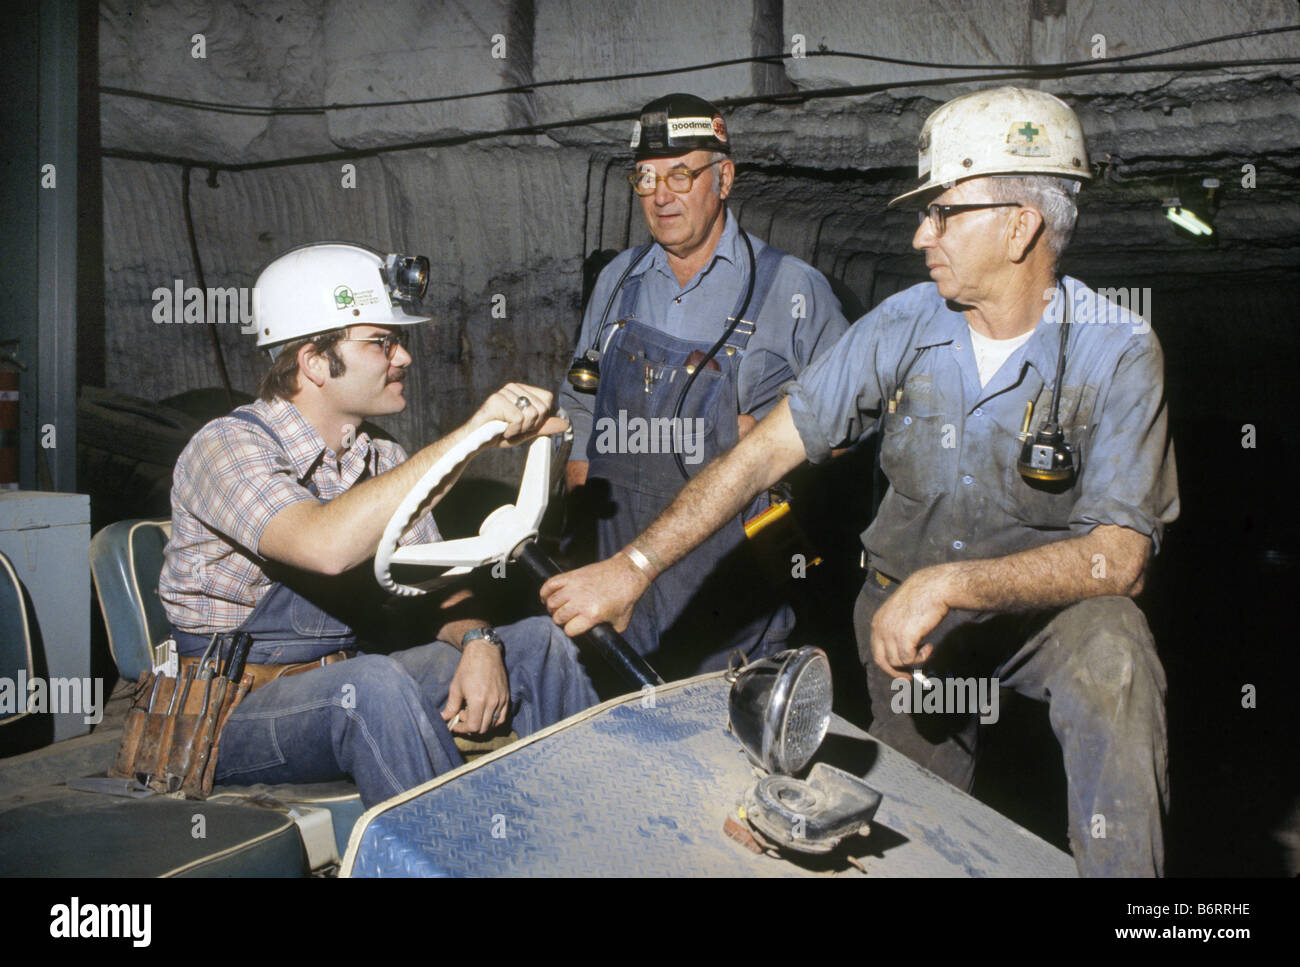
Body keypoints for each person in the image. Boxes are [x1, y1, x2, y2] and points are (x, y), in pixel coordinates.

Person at [541, 86, 1179, 876]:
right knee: (922, 827)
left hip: (1043, 615)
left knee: (1115, 651)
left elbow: (1119, 558)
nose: (920, 235)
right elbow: (761, 456)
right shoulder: (905, 323)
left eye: (943, 213)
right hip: (905, 623)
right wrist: (632, 568)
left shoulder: (1117, 349)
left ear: (1021, 225)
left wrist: (954, 581)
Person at [159, 241, 597, 808]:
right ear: (314, 362)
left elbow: (434, 586)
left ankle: (588, 827)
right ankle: (454, 860)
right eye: (381, 343)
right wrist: (472, 435)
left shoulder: (380, 457)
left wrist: (479, 641)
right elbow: (324, 546)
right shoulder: (227, 446)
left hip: (333, 681)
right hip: (226, 714)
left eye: (401, 342)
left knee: (539, 643)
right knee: (370, 685)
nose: (404, 358)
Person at [557, 93, 849, 680]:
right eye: (646, 177)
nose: (660, 195)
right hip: (619, 560)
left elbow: (851, 431)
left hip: (733, 575)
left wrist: (765, 437)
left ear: (724, 178)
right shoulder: (619, 279)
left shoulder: (795, 290)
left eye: (681, 174)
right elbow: (580, 397)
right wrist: (582, 489)